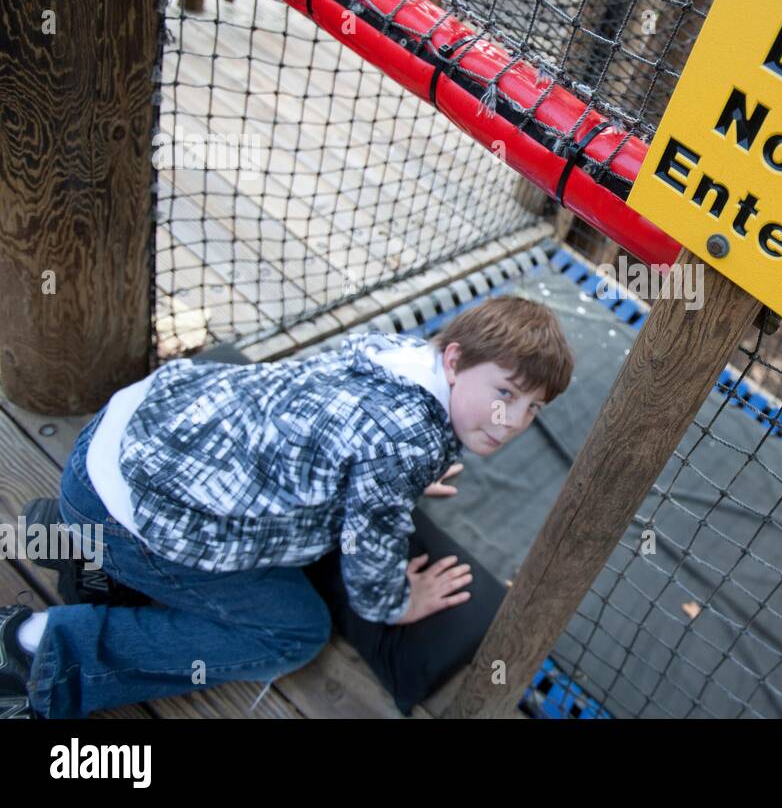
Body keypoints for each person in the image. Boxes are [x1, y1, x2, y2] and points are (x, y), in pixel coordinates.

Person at [0, 295, 573, 718]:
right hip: (132, 510)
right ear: (453, 362)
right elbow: (371, 562)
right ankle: (37, 652)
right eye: (504, 393)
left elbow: (349, 436)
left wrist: (401, 473)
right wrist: (398, 603)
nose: (513, 421)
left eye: (533, 408)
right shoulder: (402, 444)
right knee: (293, 632)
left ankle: (90, 553)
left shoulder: (396, 354)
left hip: (123, 437)